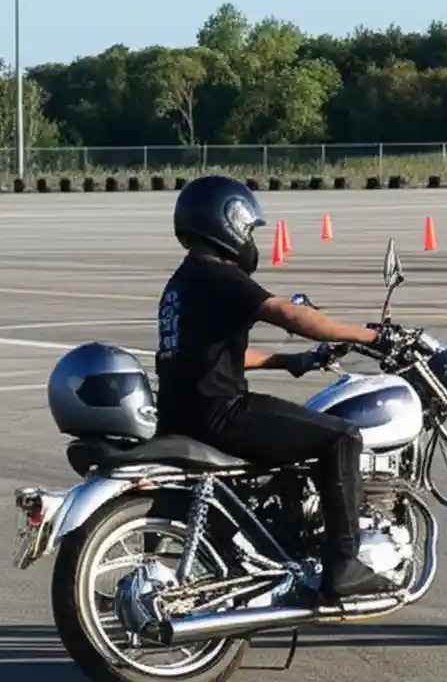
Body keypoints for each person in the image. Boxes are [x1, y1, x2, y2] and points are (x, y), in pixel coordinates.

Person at [153, 174, 399, 601]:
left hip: (182, 416)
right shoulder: (219, 275)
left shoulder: (181, 282)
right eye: (249, 229)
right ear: (227, 222)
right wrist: (370, 336)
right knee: (341, 436)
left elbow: (216, 354)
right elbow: (287, 313)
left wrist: (289, 361)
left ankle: (285, 540)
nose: (251, 239)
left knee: (295, 440)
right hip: (222, 414)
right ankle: (344, 564)